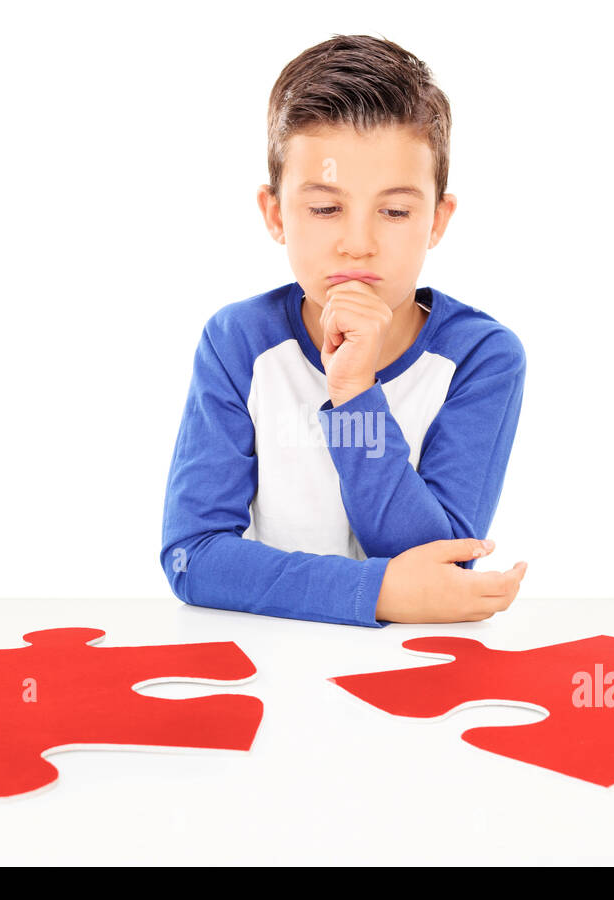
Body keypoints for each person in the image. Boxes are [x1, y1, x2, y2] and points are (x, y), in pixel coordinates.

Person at [160, 34, 527, 627]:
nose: (358, 243)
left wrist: (355, 392)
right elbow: (192, 557)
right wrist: (374, 593)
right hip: (271, 659)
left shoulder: (482, 357)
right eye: (326, 208)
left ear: (437, 220)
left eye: (396, 211)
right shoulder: (237, 343)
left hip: (414, 675)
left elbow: (439, 570)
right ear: (276, 214)